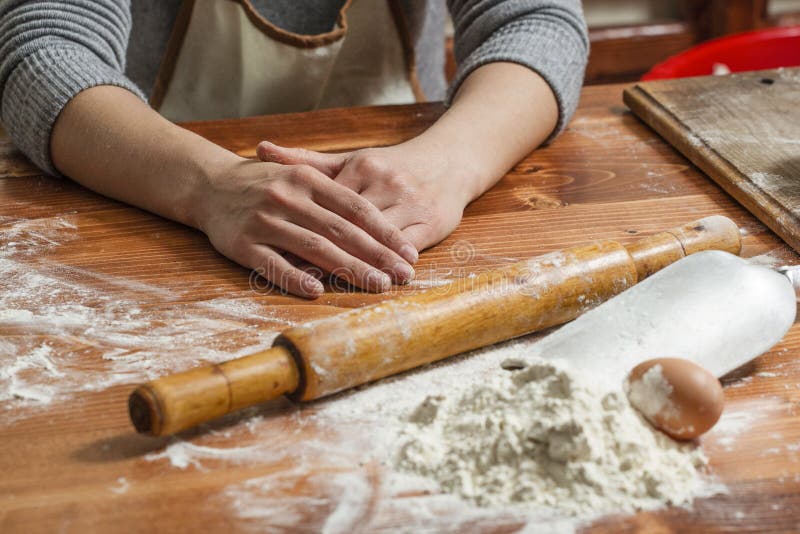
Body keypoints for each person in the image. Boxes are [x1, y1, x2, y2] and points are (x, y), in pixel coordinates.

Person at [0, 0, 588, 298]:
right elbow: (42, 52)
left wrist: (450, 164)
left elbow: (539, 19)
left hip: (414, 206)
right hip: (152, 197)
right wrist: (209, 185)